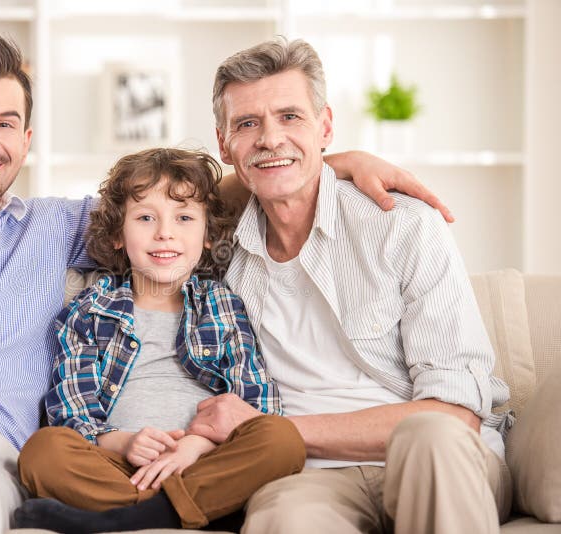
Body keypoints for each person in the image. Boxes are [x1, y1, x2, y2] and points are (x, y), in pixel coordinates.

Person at [0, 28, 450, 533]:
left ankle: (146, 512)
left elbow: (174, 203)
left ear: (26, 140)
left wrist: (318, 163)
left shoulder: (52, 227)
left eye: (4, 124)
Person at [185, 37, 512, 534]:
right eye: (247, 124)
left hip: (437, 460)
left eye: (290, 117)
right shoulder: (209, 239)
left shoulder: (403, 225)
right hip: (312, 476)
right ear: (223, 143)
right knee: (284, 518)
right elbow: (139, 208)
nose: (270, 138)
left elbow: (456, 414)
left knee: (432, 437)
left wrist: (266, 431)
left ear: (326, 126)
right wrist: (316, 162)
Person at [14, 147, 305, 533]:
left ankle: (127, 518)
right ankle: (177, 512)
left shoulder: (221, 304)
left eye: (184, 217)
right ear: (117, 235)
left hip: (204, 462)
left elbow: (256, 401)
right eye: (145, 217)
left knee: (282, 439)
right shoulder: (90, 309)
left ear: (207, 235)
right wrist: (124, 442)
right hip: (121, 465)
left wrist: (197, 446)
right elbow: (71, 412)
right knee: (43, 450)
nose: (165, 232)